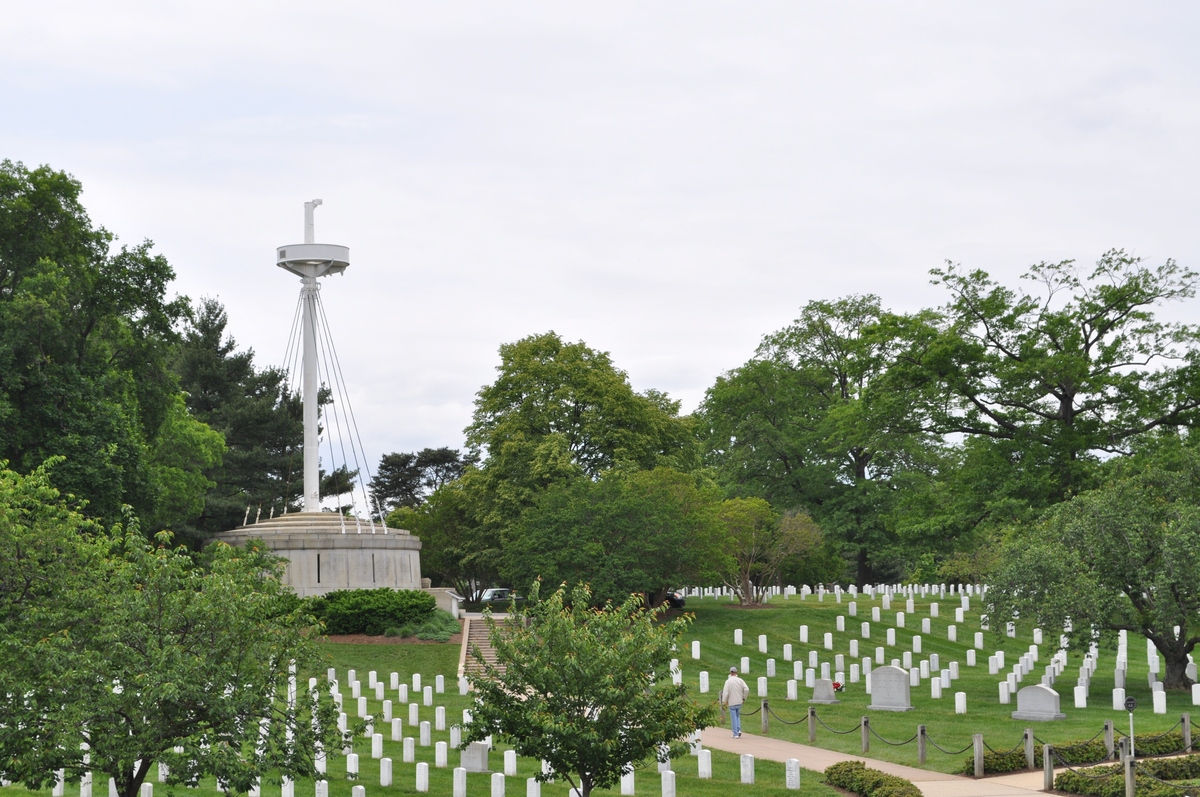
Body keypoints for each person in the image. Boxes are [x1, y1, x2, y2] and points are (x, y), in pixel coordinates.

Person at [720, 666, 750, 738]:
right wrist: (744, 698)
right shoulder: (740, 680)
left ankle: (735, 733)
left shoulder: (728, 681)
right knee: (737, 716)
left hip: (732, 702)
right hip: (739, 701)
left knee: (733, 718)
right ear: (736, 672)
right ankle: (738, 730)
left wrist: (724, 701)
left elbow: (726, 693)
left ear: (730, 672)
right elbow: (746, 689)